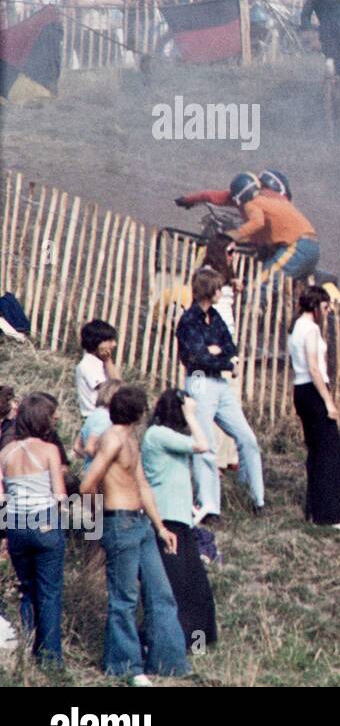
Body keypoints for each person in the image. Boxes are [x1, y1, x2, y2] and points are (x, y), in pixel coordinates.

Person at [79, 386, 190, 685]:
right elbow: (88, 484)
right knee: (124, 599)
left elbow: (142, 486)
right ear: (140, 413)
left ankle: (169, 663)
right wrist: (98, 516)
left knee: (160, 592)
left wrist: (161, 527)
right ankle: (126, 667)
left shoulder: (131, 440)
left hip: (140, 524)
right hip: (119, 522)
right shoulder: (113, 439)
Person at [175, 267, 266, 521]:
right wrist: (223, 361)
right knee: (207, 445)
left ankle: (255, 497)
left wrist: (218, 354)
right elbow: (197, 357)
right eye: (217, 289)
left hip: (220, 384)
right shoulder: (189, 320)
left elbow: (229, 345)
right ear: (208, 291)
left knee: (247, 438)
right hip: (200, 382)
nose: (220, 292)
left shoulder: (215, 317)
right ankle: (209, 506)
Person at [140, 389, 218, 653]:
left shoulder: (169, 437)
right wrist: (191, 414)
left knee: (193, 585)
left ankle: (195, 643)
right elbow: (203, 445)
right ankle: (171, 642)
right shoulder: (157, 434)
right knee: (175, 585)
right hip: (164, 521)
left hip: (178, 520)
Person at [0, 394, 68, 666]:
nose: (57, 418)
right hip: (44, 521)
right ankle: (50, 658)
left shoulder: (5, 453)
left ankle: (27, 653)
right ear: (42, 419)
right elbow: (60, 495)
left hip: (16, 524)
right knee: (49, 592)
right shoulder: (49, 450)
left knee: (28, 589)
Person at [177, 173, 322, 287]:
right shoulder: (261, 198)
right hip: (304, 244)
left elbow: (257, 223)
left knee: (263, 283)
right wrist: (189, 199)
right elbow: (210, 196)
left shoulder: (252, 203)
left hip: (297, 246)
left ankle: (253, 312)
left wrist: (232, 236)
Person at [289, 287, 340, 529]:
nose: (327, 313)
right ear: (316, 307)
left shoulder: (295, 327)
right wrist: (328, 401)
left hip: (301, 390)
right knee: (329, 452)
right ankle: (334, 514)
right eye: (325, 308)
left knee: (316, 451)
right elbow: (314, 368)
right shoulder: (311, 329)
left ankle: (315, 510)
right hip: (314, 391)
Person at [76, 319, 121, 418]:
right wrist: (108, 361)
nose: (114, 344)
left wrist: (108, 361)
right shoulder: (88, 364)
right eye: (110, 341)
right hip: (95, 416)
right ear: (97, 342)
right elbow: (114, 390)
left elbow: (119, 385)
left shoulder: (101, 363)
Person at [75, 378, 122, 468]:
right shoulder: (106, 418)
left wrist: (88, 460)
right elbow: (89, 447)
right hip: (100, 476)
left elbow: (77, 446)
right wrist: (103, 463)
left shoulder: (94, 414)